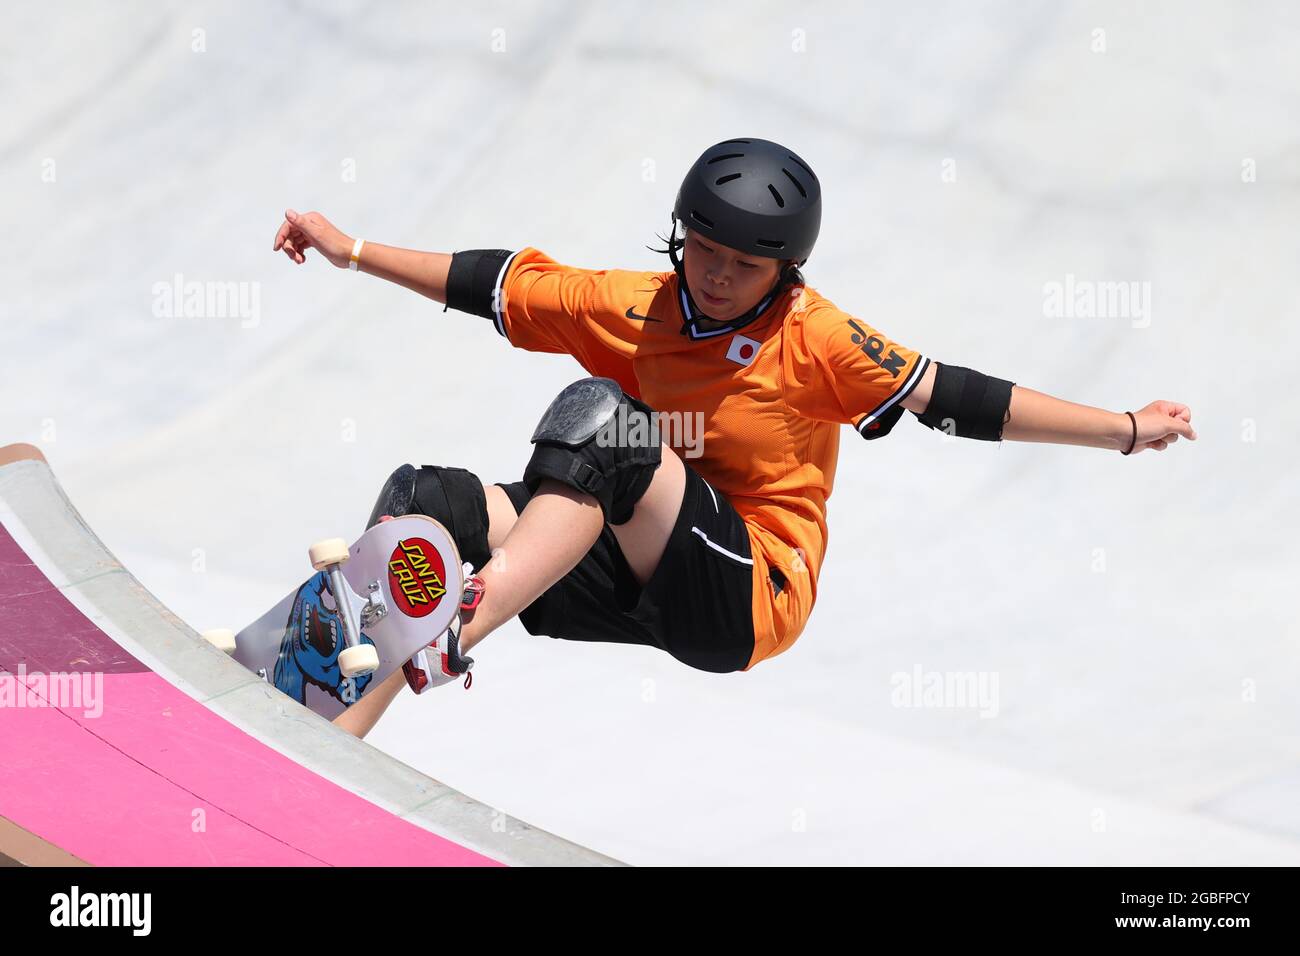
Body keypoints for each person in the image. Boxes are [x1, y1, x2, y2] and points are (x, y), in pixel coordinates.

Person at [271, 138, 1196, 739]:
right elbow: (491, 282)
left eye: (744, 265)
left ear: (784, 270)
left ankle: (458, 628)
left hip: (748, 591)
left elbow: (958, 398)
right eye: (702, 251)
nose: (715, 276)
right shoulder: (636, 306)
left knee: (607, 424)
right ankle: (334, 731)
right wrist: (351, 249)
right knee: (428, 504)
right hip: (623, 565)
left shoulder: (817, 337)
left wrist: (1122, 430)